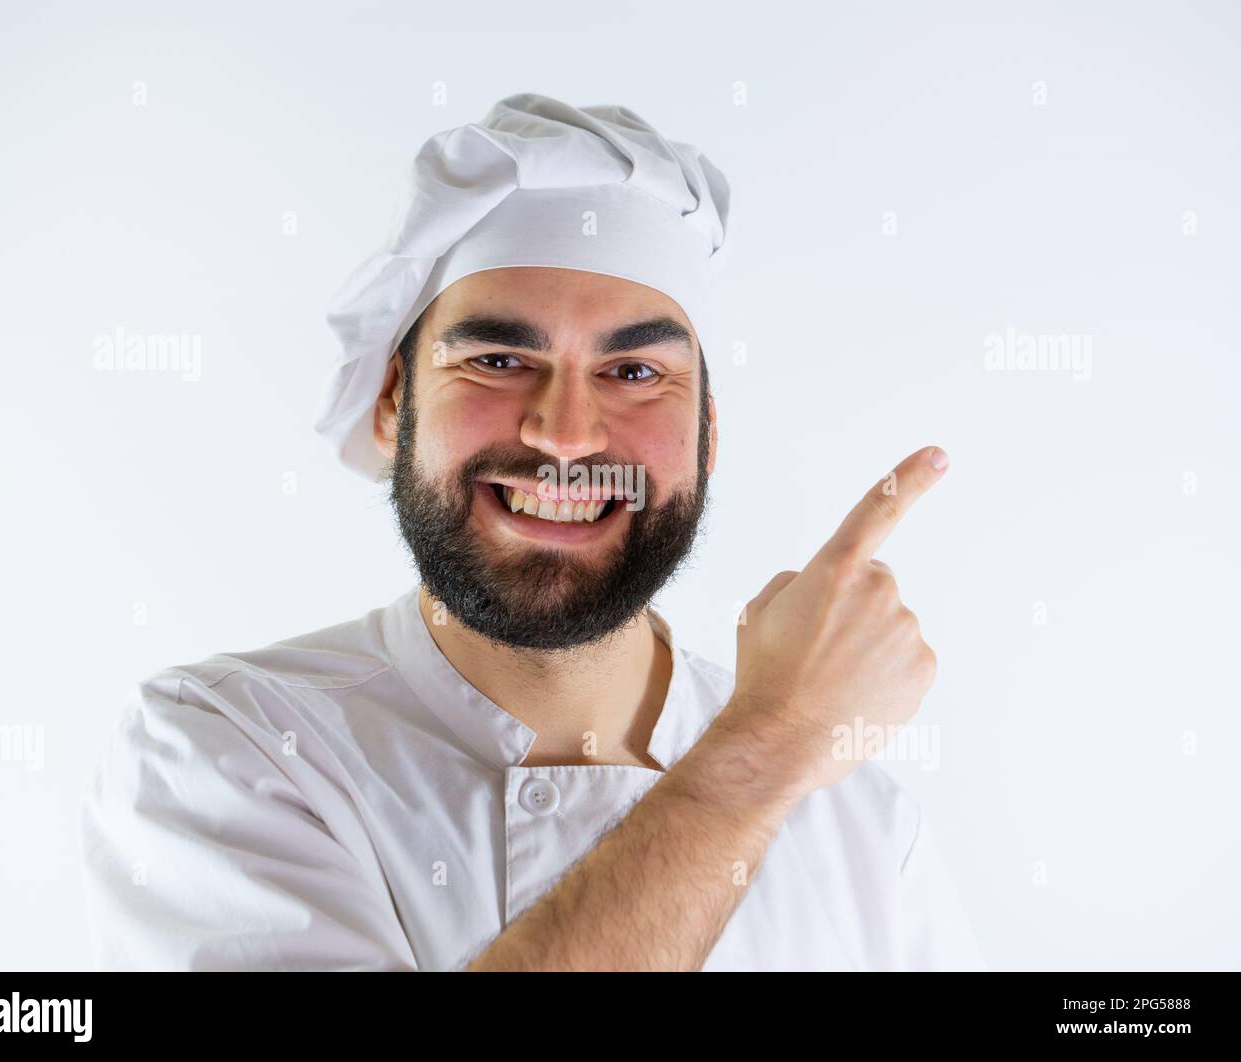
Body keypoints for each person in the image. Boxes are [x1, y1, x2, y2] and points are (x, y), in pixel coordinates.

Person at [79, 93, 984, 972]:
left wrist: (774, 745)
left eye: (634, 371)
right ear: (396, 403)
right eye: (499, 360)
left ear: (707, 434)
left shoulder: (863, 830)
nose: (564, 433)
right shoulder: (230, 753)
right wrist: (759, 754)